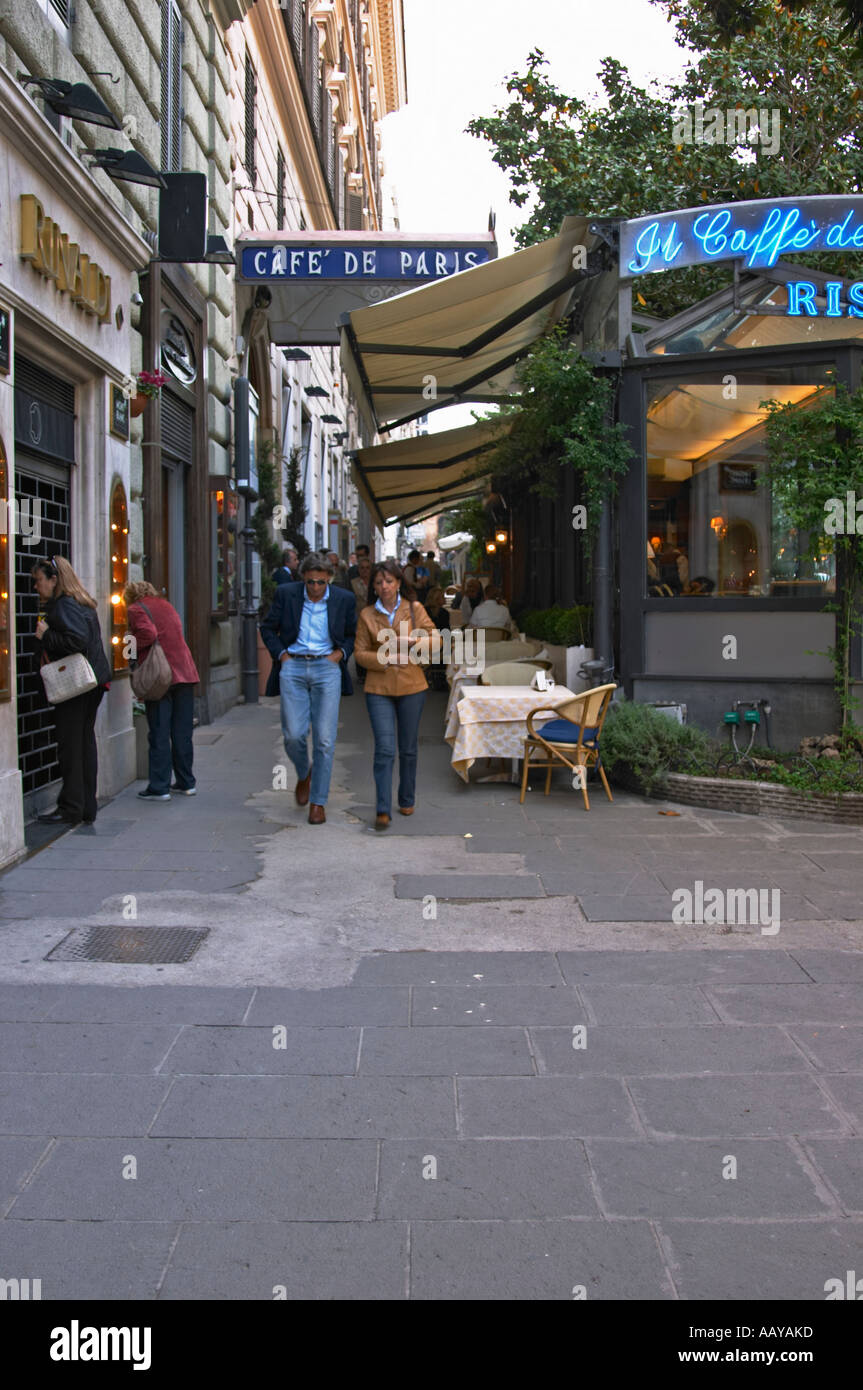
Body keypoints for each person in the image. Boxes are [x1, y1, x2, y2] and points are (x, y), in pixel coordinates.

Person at [260, 551, 357, 825]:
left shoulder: (344, 599)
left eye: (320, 582)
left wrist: (340, 654)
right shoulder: (286, 594)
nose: (315, 588)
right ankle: (305, 773)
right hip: (293, 666)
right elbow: (267, 628)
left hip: (327, 668)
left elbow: (352, 634)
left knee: (325, 740)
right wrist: (282, 656)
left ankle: (318, 802)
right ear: (303, 578)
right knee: (293, 734)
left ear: (329, 579)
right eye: (311, 582)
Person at [354, 559, 435, 831]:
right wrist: (386, 658)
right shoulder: (367, 614)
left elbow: (437, 639)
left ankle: (407, 797)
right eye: (378, 583)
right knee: (385, 749)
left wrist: (414, 641)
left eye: (389, 581)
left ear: (399, 582)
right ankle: (382, 808)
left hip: (413, 686)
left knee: (408, 748)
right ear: (373, 587)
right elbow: (360, 654)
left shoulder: (414, 609)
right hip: (379, 688)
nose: (384, 586)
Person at [32, 556, 112, 825]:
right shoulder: (80, 601)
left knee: (70, 747)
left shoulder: (64, 605)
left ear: (54, 580)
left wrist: (46, 636)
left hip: (76, 687)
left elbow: (76, 640)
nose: (35, 587)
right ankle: (85, 806)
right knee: (84, 745)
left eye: (38, 581)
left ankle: (71, 808)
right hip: (93, 683)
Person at [125, 582, 200, 801]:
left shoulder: (136, 608)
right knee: (182, 732)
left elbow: (148, 634)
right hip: (185, 673)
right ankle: (186, 783)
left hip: (161, 676)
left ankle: (159, 787)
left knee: (159, 730)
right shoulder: (166, 605)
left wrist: (127, 647)